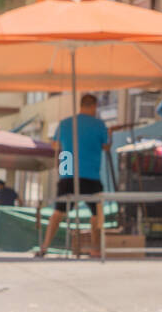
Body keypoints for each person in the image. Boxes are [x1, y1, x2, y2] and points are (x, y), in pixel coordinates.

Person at [36, 93, 110, 257]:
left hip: (67, 172)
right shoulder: (99, 125)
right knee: (97, 213)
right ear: (94, 106)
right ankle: (95, 248)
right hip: (91, 174)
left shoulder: (65, 123)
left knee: (58, 212)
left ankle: (45, 246)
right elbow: (106, 146)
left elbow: (55, 144)